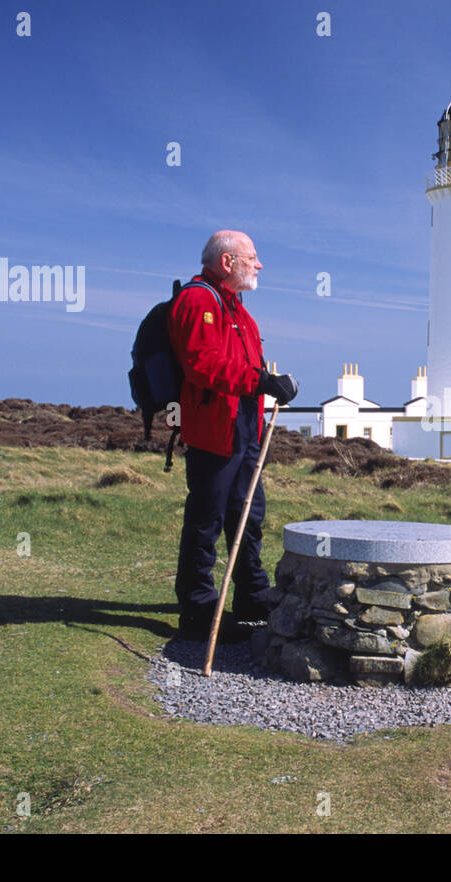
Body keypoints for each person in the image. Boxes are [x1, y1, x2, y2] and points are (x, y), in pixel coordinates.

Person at [167, 230, 298, 642]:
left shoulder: (237, 309)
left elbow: (245, 368)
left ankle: (252, 601)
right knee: (206, 520)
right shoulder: (198, 300)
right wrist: (262, 381)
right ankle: (199, 611)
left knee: (248, 515)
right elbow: (202, 365)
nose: (258, 265)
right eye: (252, 257)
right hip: (214, 432)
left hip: (243, 430)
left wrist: (267, 383)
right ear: (227, 262)